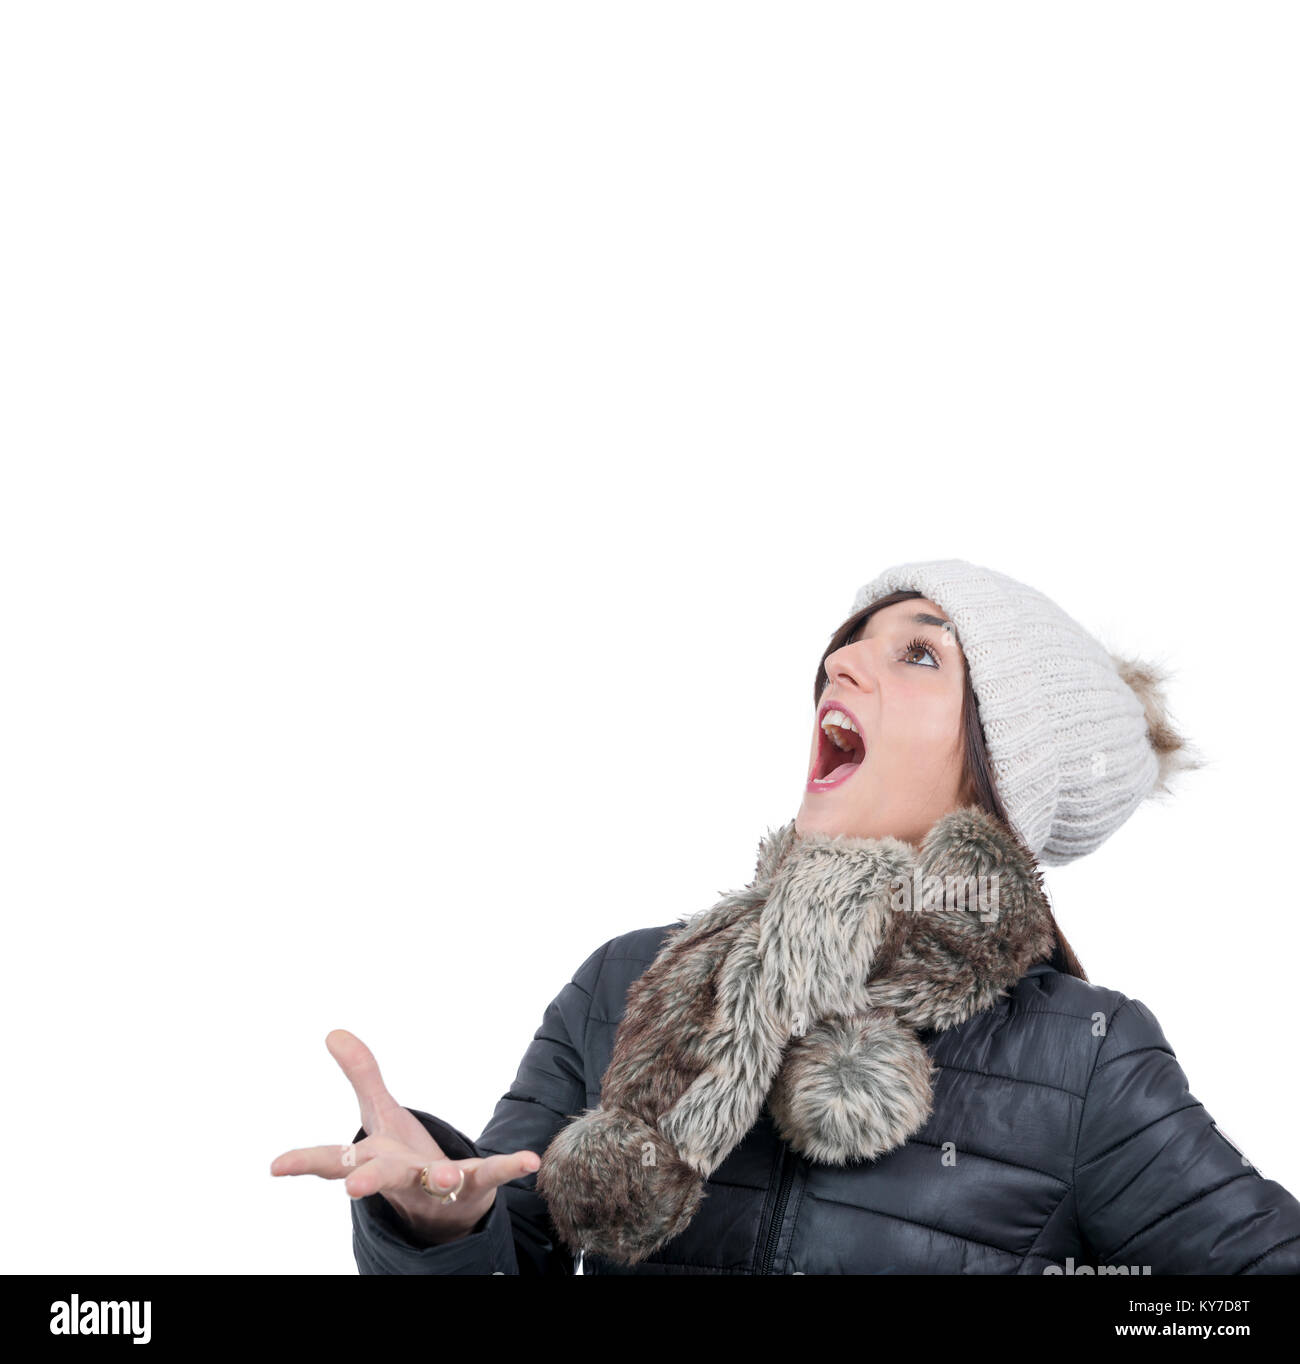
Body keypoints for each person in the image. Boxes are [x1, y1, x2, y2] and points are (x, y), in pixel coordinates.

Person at [271, 558, 1300, 1274]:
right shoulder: (623, 983)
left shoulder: (1084, 1056)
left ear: (1001, 775)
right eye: (849, 641)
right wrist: (443, 1218)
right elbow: (516, 1252)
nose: (840, 662)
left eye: (919, 654)